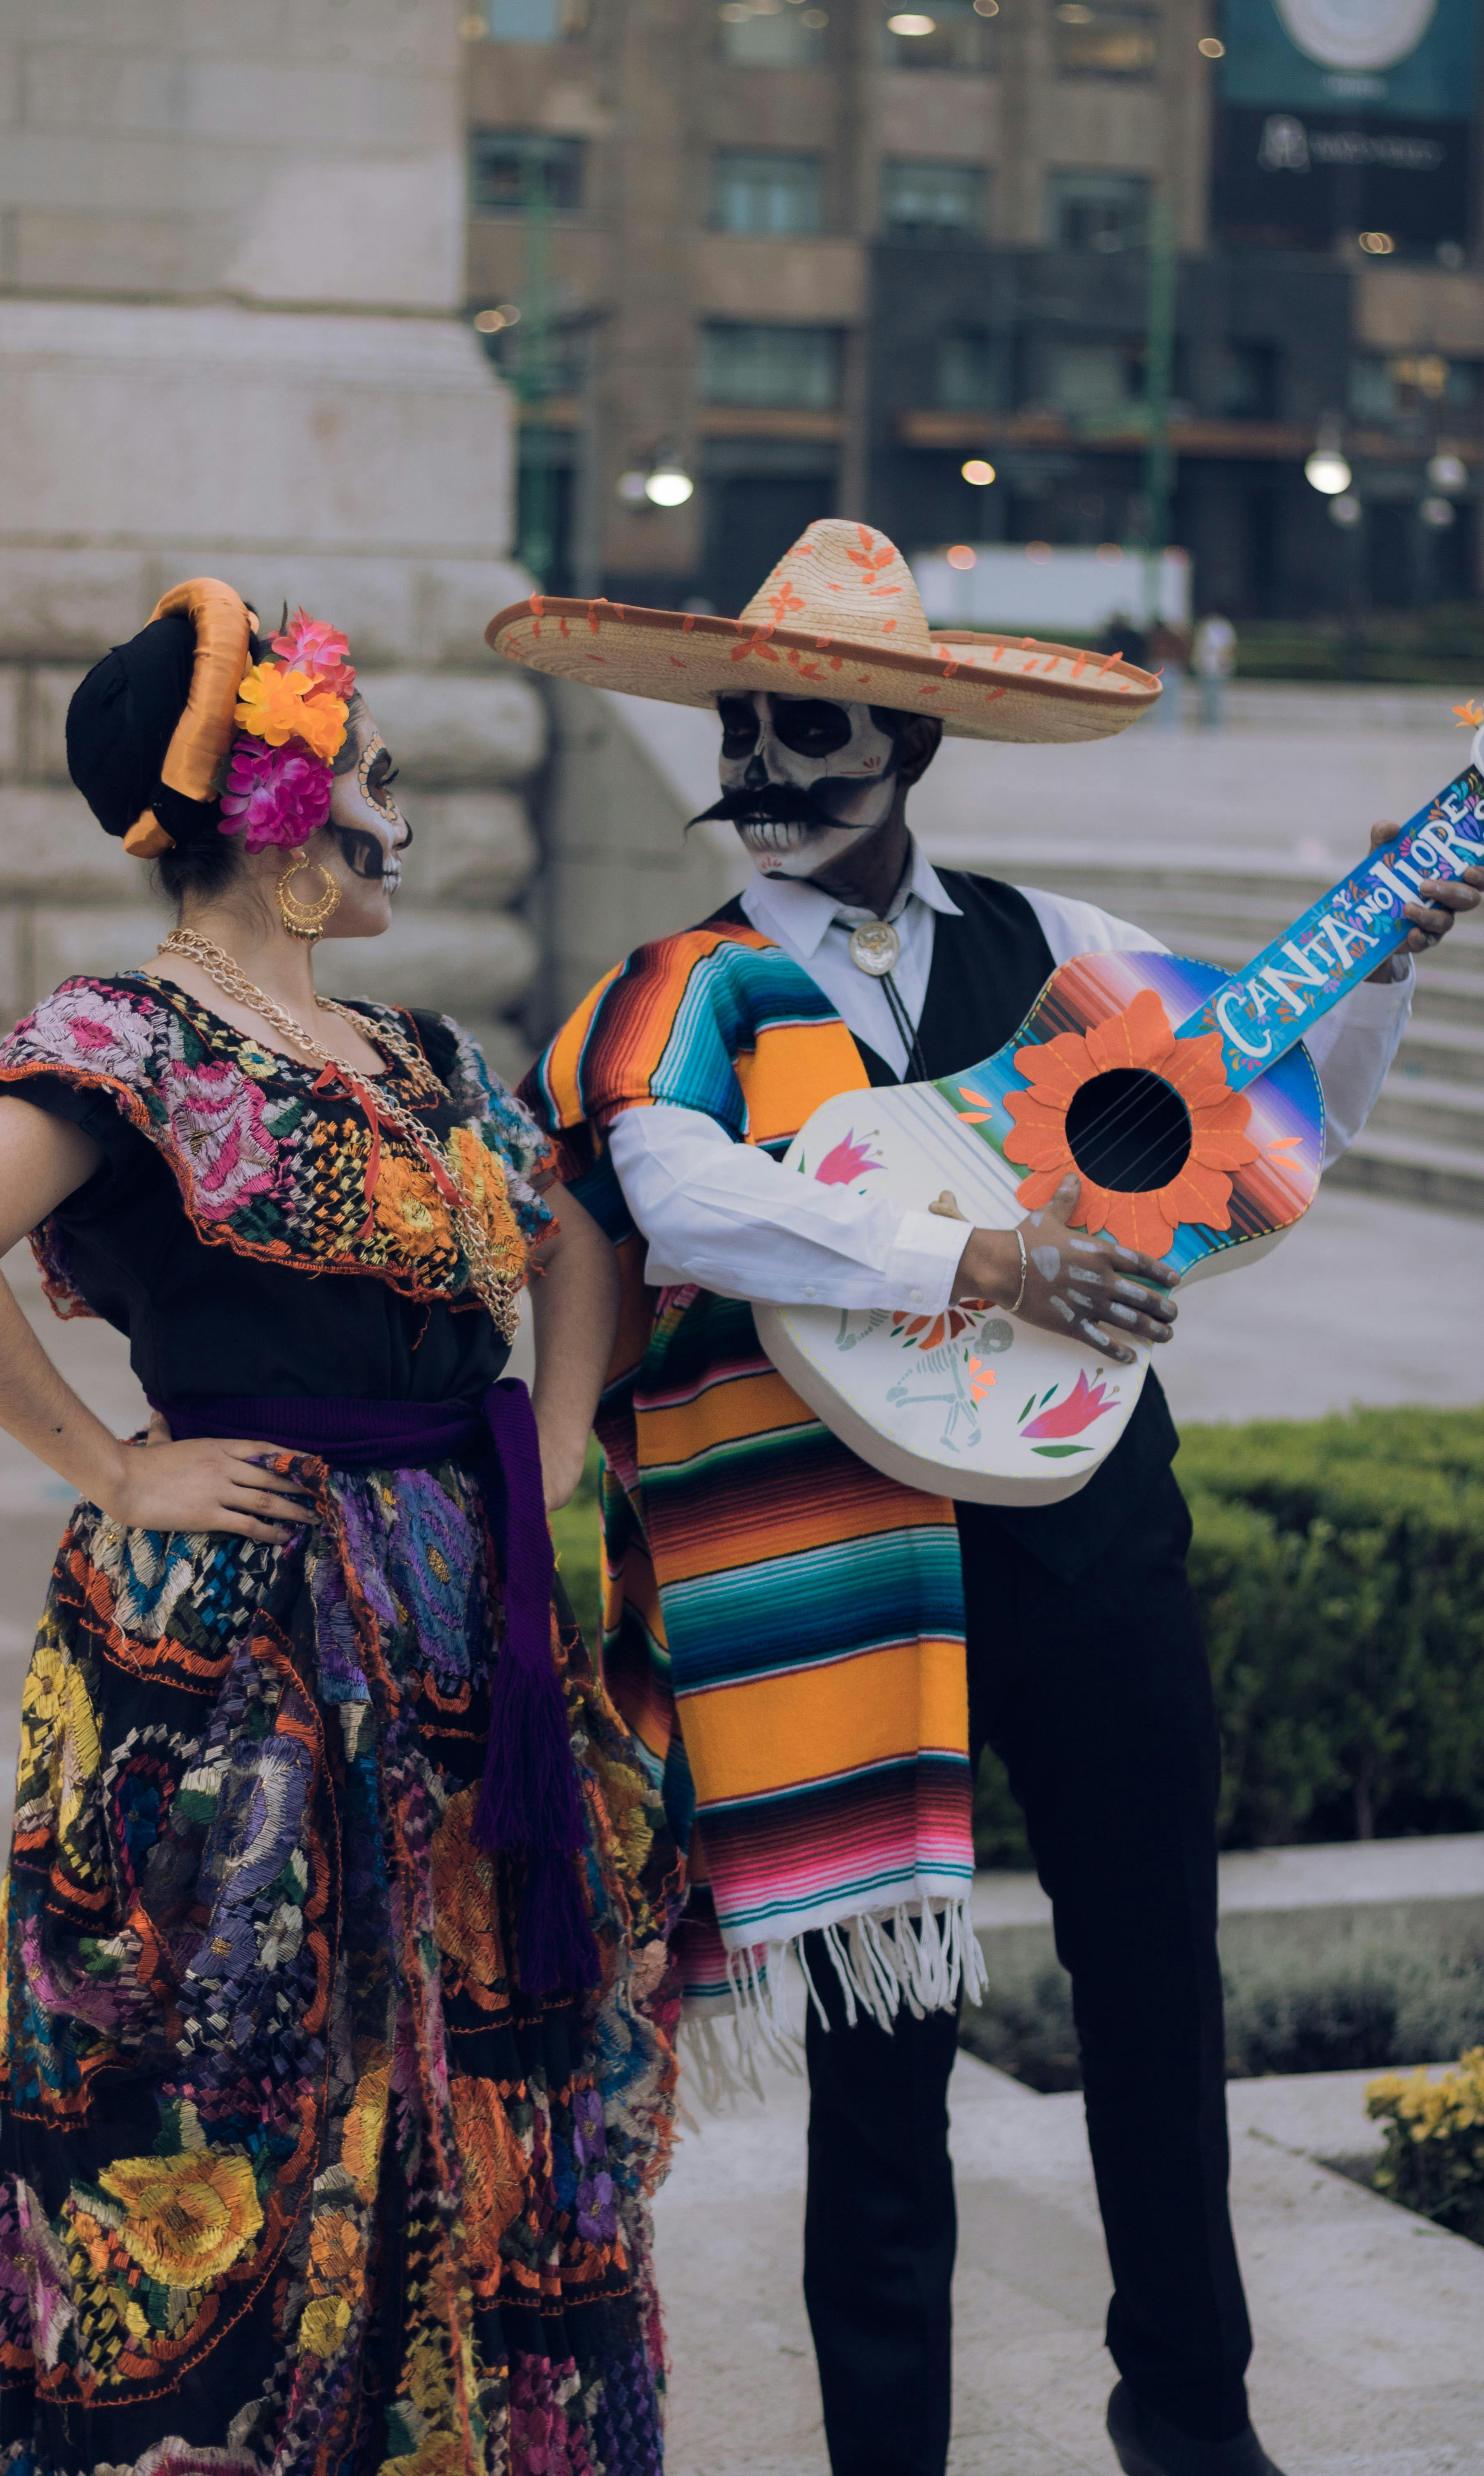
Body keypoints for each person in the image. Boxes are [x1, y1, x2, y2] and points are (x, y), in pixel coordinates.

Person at [484, 521, 1484, 2476]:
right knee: (879, 2066)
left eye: (809, 726)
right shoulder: (677, 985)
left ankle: (1191, 2425)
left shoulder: (1063, 942)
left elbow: (1275, 1127)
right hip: (842, 1576)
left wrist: (1375, 957)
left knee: (1155, 1994)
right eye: (743, 723)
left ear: (910, 743)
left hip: (1092, 1524)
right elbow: (672, 1190)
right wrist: (976, 1261)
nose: (760, 764)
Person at [0, 579, 684, 2476]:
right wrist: (114, 1461)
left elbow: (570, 1242)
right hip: (225, 1635)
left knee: (452, 2043)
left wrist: (549, 1442)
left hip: (450, 1601)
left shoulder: (411, 1053)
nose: (403, 811)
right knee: (219, 2062)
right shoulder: (126, 1035)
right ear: (286, 806)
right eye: (379, 774)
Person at [1193, 612, 1238, 731]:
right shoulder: (1219, 627)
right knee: (1210, 696)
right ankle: (1209, 721)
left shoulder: (1215, 628)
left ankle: (1214, 722)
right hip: (1209, 667)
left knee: (1214, 697)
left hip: (1216, 667)